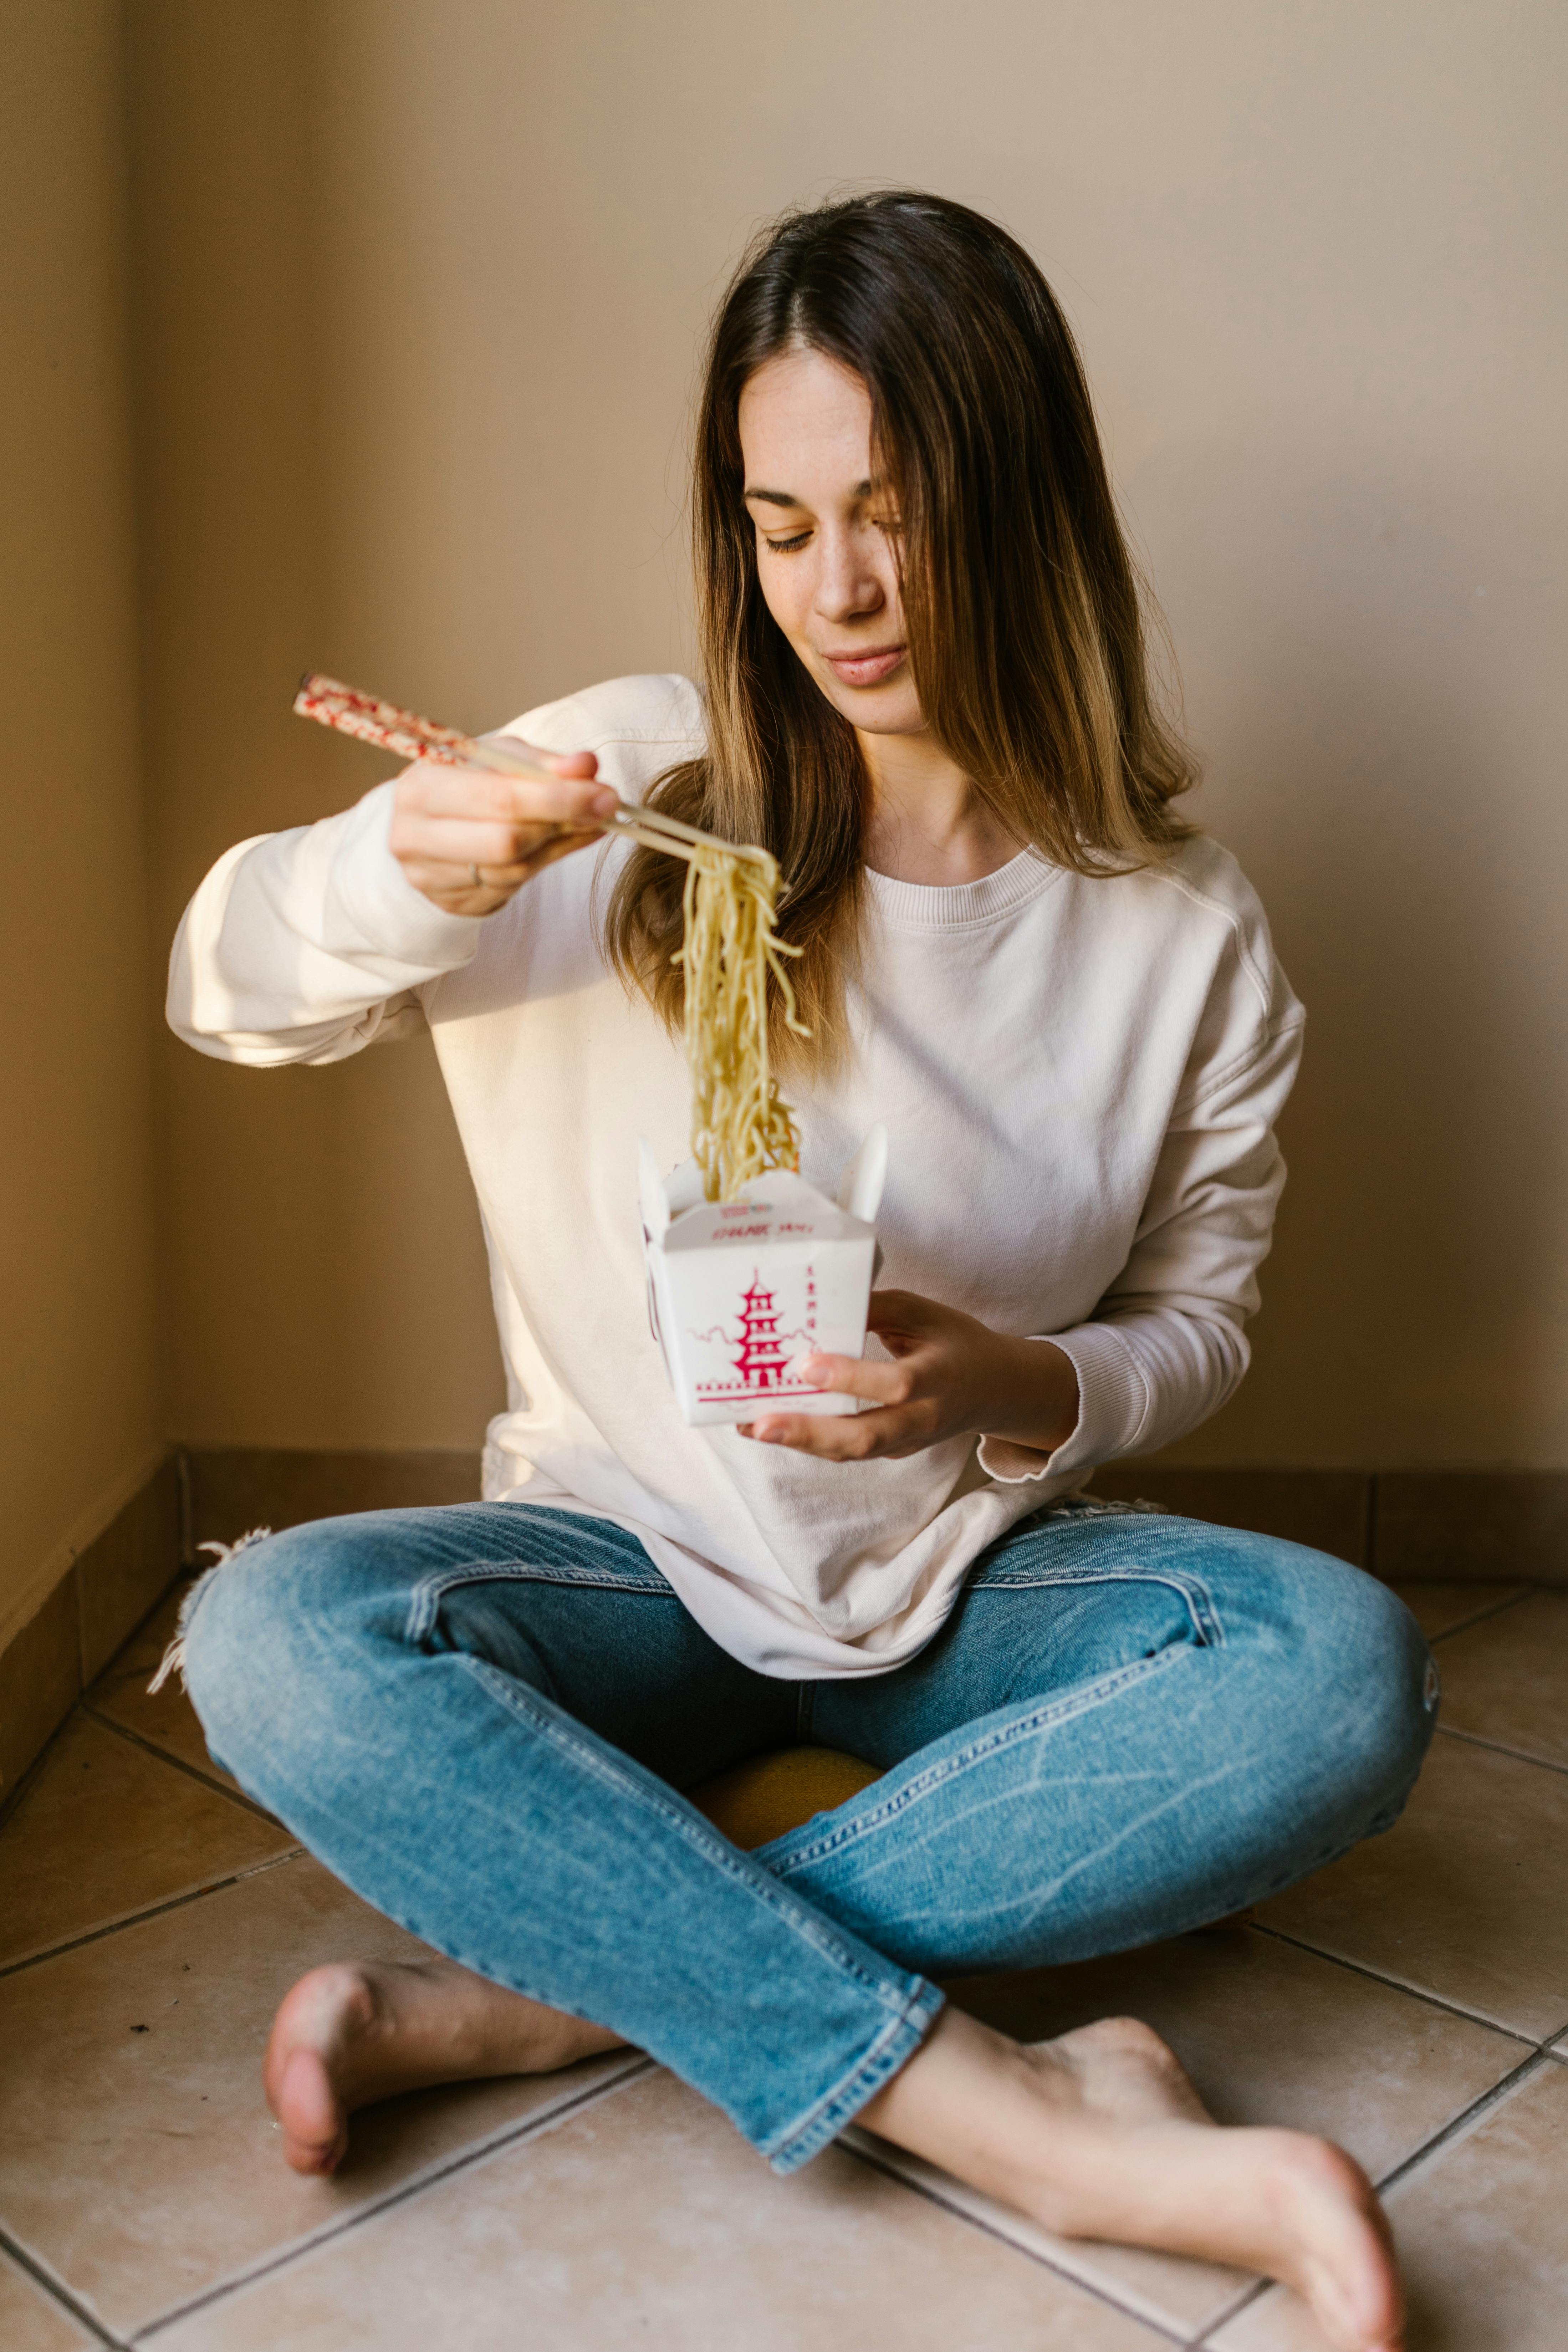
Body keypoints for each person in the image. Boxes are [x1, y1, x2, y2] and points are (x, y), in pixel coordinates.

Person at [169, 192, 1432, 2352]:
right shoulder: (626, 791)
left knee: (1341, 1672)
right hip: (621, 1572)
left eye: (898, 518)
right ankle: (1043, 2123)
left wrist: (1009, 1381)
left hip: (958, 1589)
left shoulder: (1178, 928)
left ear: (1027, 511)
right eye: (783, 525)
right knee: (269, 1632)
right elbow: (223, 989)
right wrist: (396, 867)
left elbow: (1201, 1322)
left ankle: (547, 1996)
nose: (838, 590)